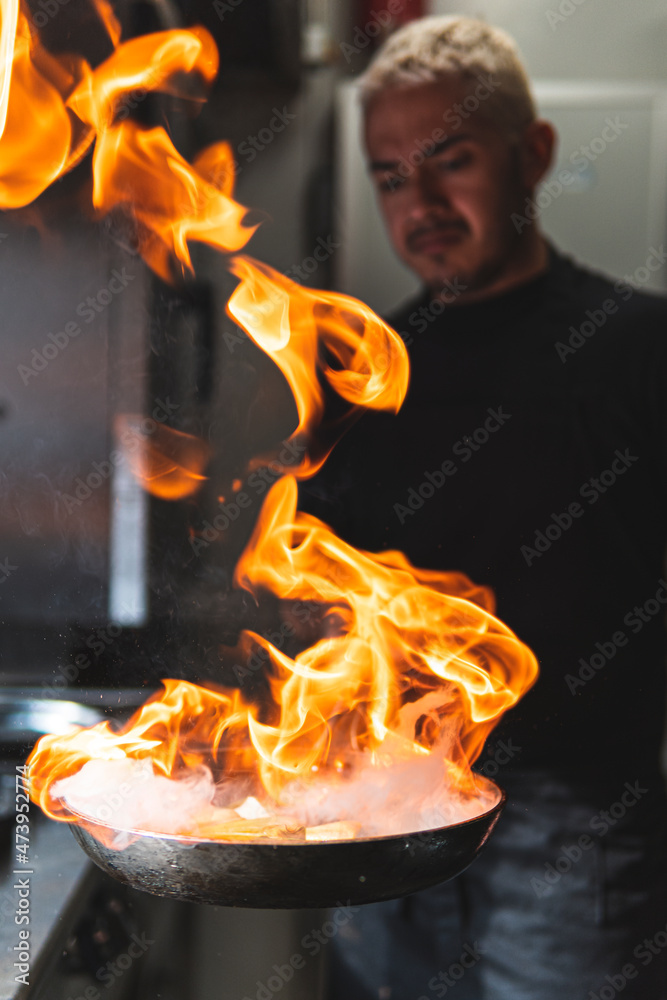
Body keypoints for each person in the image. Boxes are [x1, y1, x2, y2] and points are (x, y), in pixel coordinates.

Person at [300, 15, 667, 1000]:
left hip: (574, 832)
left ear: (534, 154)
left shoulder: (639, 348)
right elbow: (322, 598)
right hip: (383, 818)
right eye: (387, 176)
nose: (417, 201)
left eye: (449, 160)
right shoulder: (363, 376)